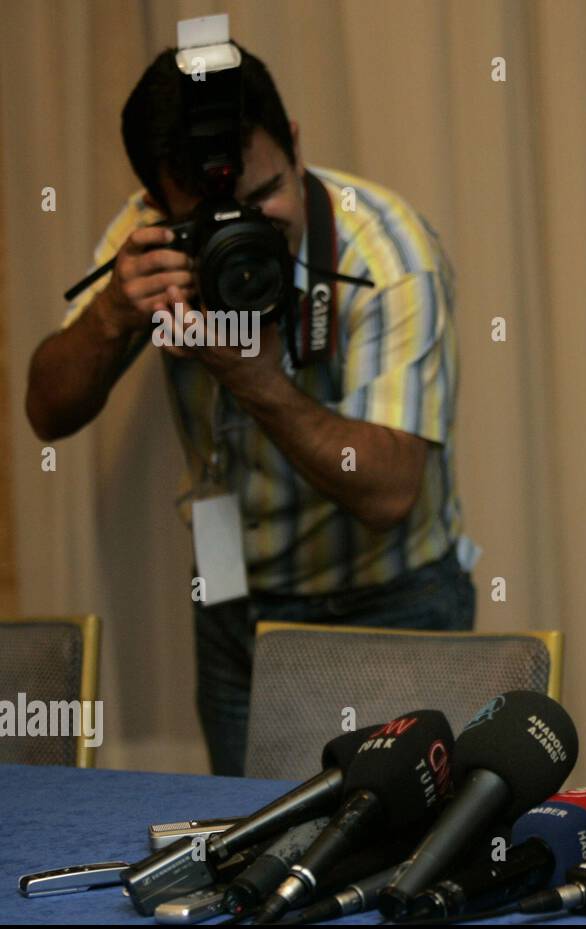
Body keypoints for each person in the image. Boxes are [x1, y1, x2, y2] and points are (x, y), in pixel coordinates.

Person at [26, 45, 475, 776]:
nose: (250, 232)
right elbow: (45, 410)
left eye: (266, 193)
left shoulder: (390, 256)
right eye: (212, 221)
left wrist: (254, 378)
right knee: (249, 837)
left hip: (392, 606)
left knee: (399, 848)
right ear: (158, 209)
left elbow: (392, 489)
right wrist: (114, 309)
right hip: (233, 600)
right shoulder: (149, 238)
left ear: (296, 145)